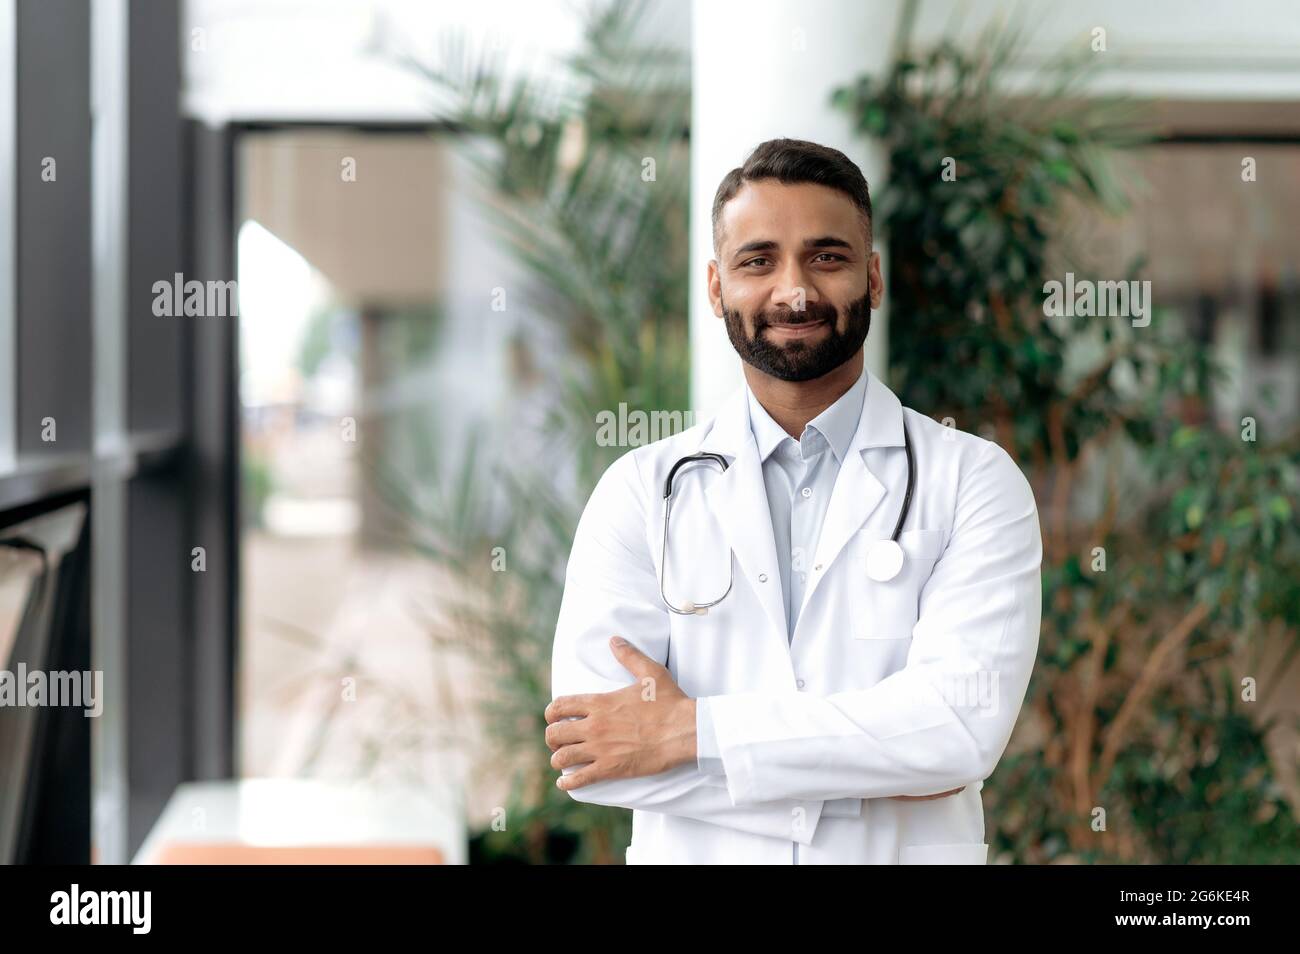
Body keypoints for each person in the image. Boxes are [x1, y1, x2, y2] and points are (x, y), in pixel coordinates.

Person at [545, 138, 1042, 864]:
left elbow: (959, 731)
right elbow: (595, 755)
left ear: (872, 278)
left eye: (827, 256)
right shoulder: (640, 493)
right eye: (758, 261)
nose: (794, 290)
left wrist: (692, 734)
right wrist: (878, 768)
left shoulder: (974, 482)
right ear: (716, 288)